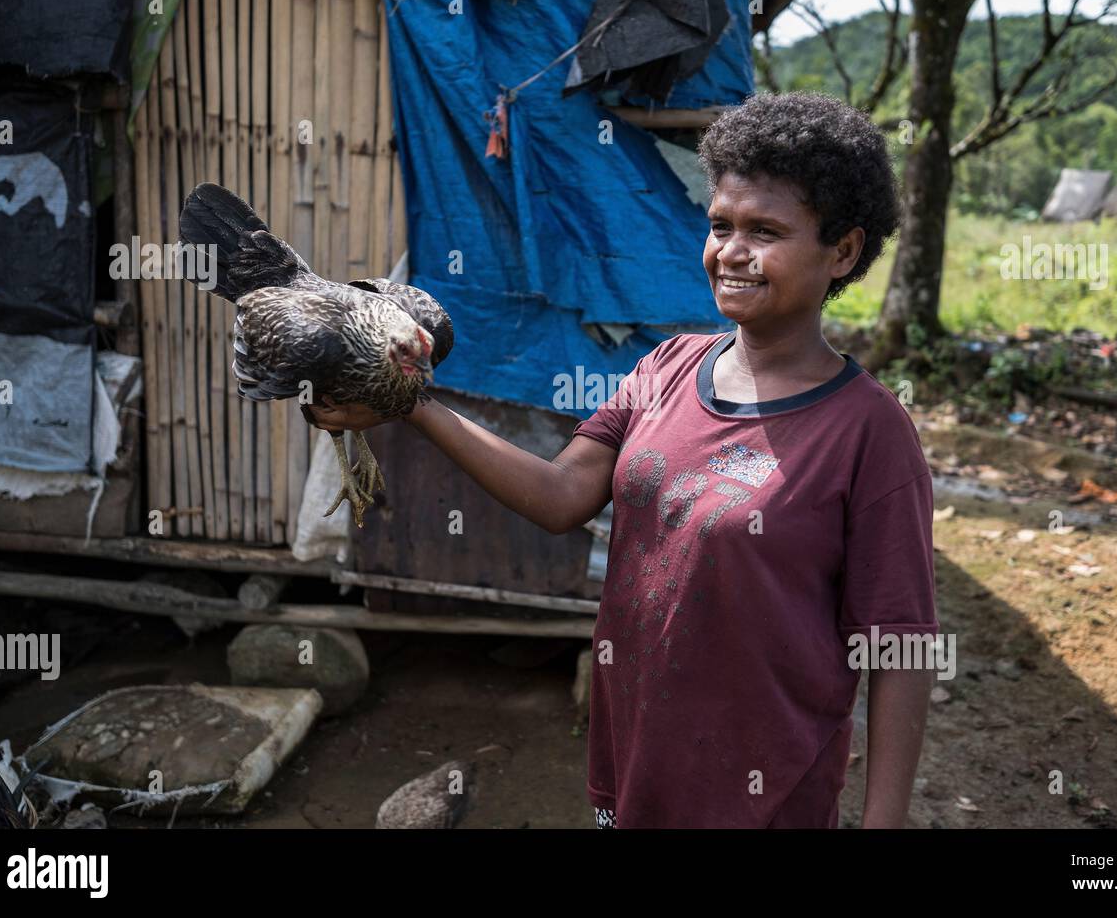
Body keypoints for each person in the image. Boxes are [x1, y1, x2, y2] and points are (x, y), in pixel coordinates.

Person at [307, 91, 939, 829]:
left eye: (765, 231)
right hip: (636, 763)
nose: (731, 252)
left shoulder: (868, 431)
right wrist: (410, 404)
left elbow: (898, 647)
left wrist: (884, 823)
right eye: (720, 225)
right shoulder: (666, 367)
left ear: (844, 251)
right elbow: (561, 493)